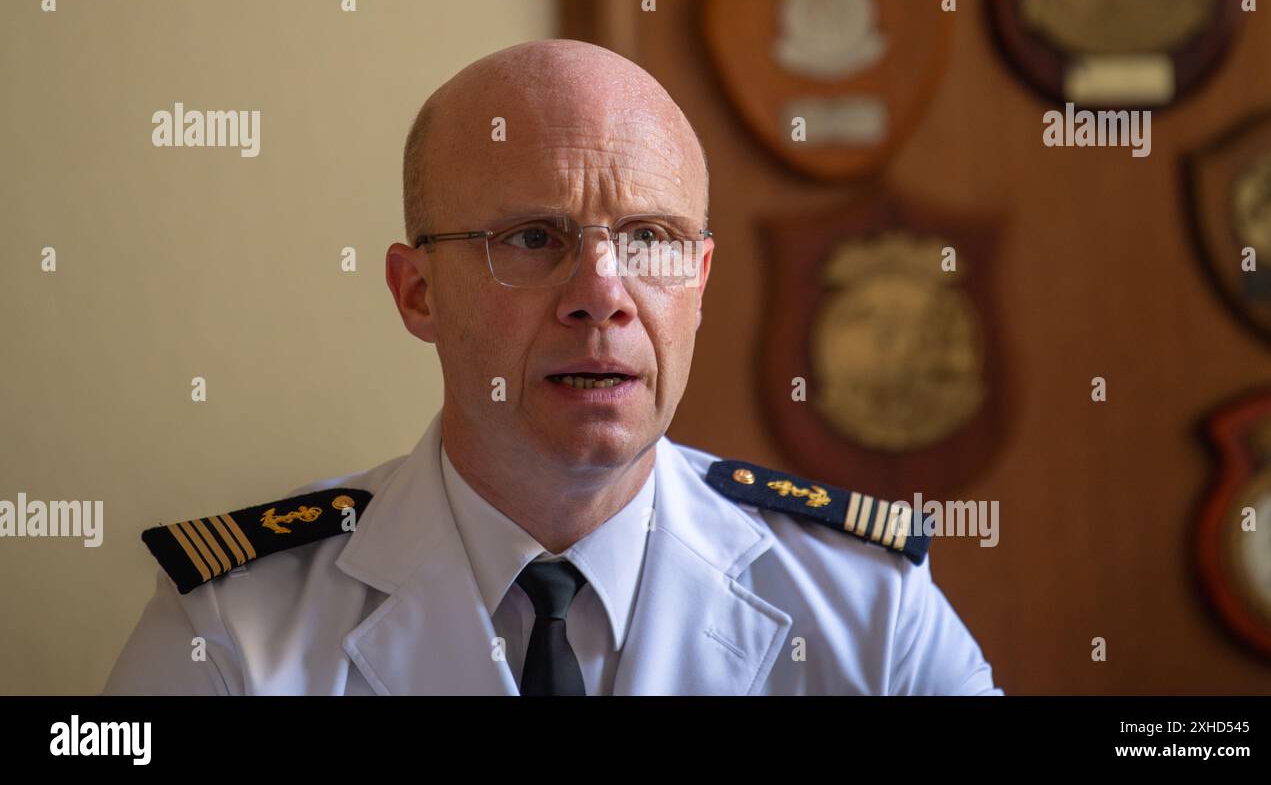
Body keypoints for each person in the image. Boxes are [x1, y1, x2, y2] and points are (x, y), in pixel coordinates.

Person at [102, 39, 1002, 695]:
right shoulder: (232, 629)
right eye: (533, 239)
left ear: (700, 283)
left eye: (651, 240)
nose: (601, 295)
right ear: (417, 293)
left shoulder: (868, 608)